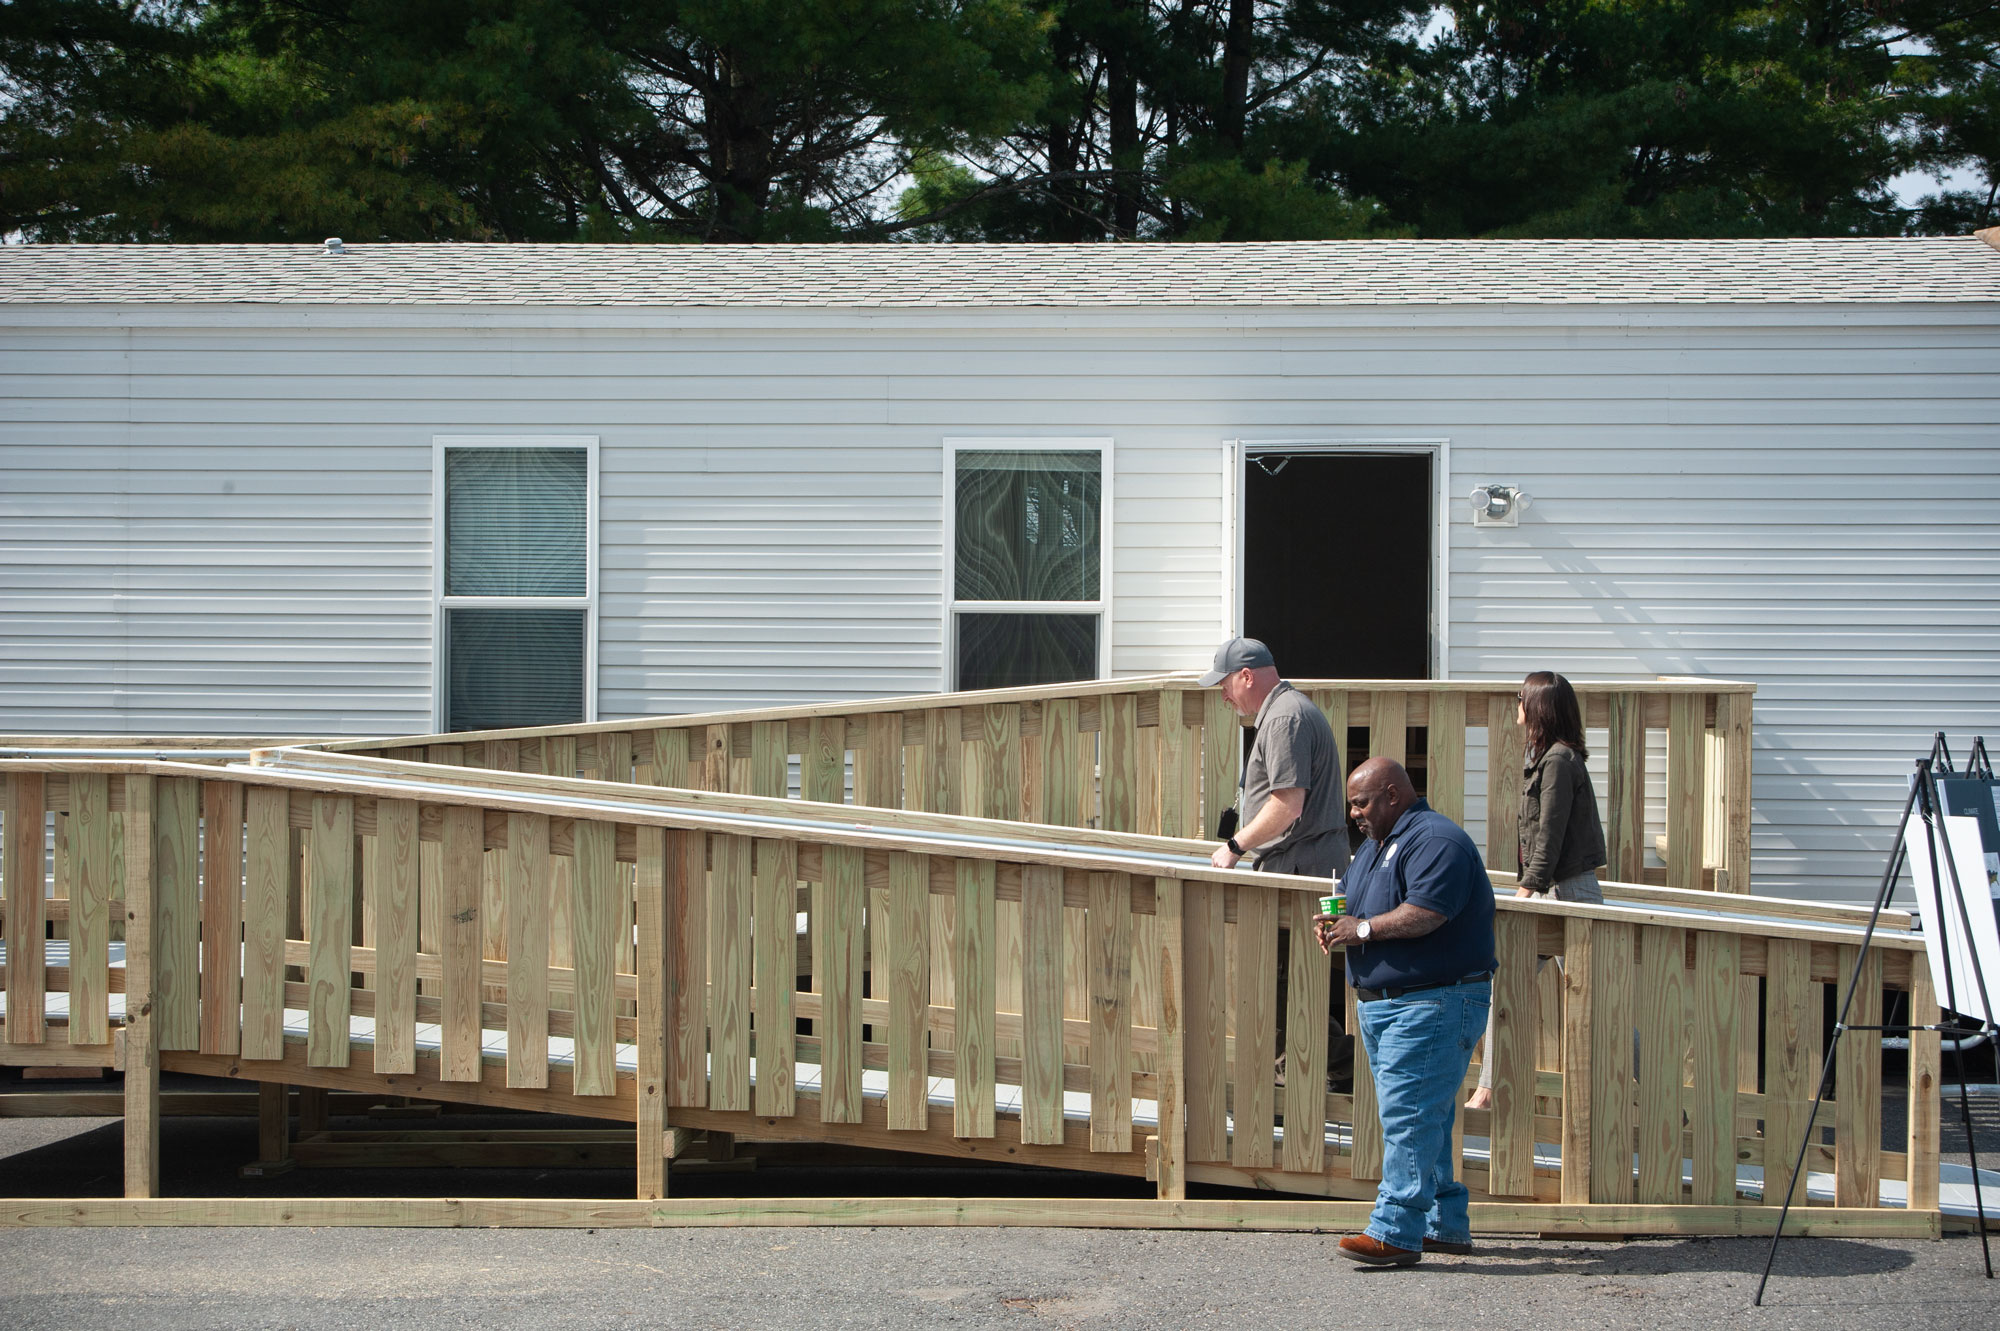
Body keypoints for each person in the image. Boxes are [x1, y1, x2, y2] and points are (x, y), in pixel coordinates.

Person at [1316, 757, 1495, 1266]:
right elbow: (1357, 908)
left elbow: (1427, 913)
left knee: (1408, 1119)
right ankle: (1444, 1223)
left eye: (1362, 803)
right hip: (1393, 1005)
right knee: (1423, 1118)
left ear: (1393, 795)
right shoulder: (1376, 847)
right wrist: (1339, 924)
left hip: (1431, 1001)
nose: (1354, 813)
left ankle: (1395, 1229)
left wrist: (1362, 929)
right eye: (1352, 805)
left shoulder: (1436, 840)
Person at [1464, 671, 1608, 1112]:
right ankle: (1487, 1089)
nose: (1517, 705)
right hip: (1556, 892)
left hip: (1568, 894)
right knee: (1504, 984)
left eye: (1520, 697)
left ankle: (1663, 1097)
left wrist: (1525, 892)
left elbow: (1550, 834)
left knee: (1600, 1005)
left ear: (1538, 707)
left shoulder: (1560, 761)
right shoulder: (1552, 759)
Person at [1199, 636, 1348, 879]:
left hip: (1301, 868)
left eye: (1224, 686)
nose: (1224, 696)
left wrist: (1234, 847)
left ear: (1247, 677)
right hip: (1300, 863)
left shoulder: (1284, 720)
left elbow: (1287, 806)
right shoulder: (1286, 710)